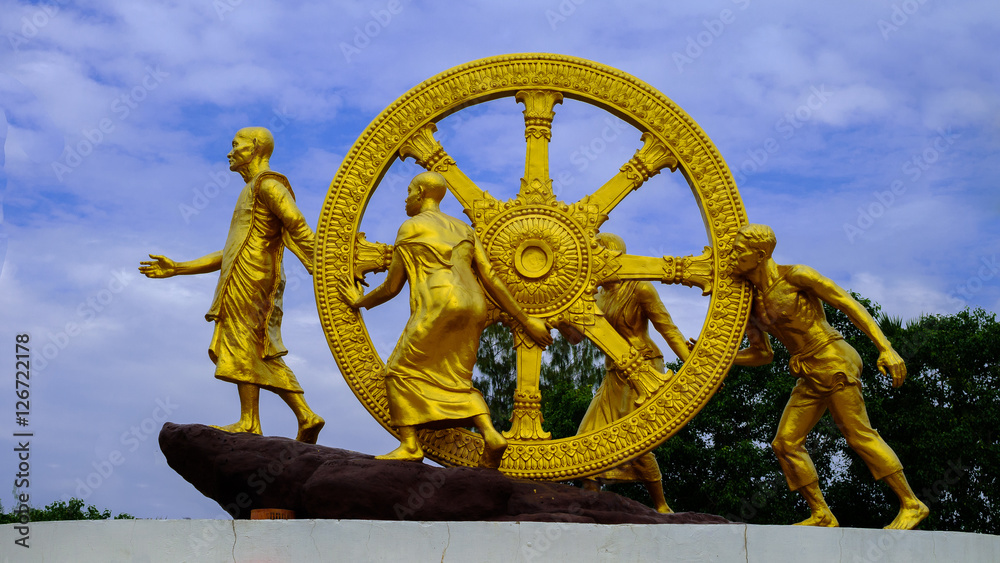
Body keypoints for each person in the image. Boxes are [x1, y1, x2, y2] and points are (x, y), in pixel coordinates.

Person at [341, 171, 552, 468]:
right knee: (458, 379)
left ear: (421, 193)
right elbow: (489, 277)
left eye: (409, 190)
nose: (406, 198)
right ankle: (490, 434)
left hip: (439, 304)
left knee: (399, 372)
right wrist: (525, 319)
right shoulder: (464, 228)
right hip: (474, 305)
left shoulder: (410, 227)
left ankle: (410, 444)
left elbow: (392, 286)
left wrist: (359, 301)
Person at [731, 223, 928, 529]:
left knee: (858, 434)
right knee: (785, 443)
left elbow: (847, 303)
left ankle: (912, 504)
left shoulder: (796, 276)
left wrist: (886, 347)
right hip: (807, 371)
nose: (731, 255)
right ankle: (822, 513)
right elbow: (763, 354)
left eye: (738, 251)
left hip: (833, 358)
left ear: (758, 255)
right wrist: (724, 358)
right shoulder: (753, 304)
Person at [139, 127, 325, 444]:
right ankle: (285, 417)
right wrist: (178, 268)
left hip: (256, 277)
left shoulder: (268, 184)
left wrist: (324, 267)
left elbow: (297, 225)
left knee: (248, 344)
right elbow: (230, 251)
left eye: (235, 145)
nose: (230, 151)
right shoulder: (252, 188)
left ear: (255, 148)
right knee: (249, 348)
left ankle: (263, 419)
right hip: (243, 273)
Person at [577, 232, 692, 513]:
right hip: (613, 374)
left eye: (594, 256)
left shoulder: (640, 288)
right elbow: (575, 337)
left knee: (636, 441)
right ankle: (589, 508)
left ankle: (661, 506)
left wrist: (693, 367)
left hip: (643, 371)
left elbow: (669, 329)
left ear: (610, 257)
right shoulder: (598, 296)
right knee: (586, 440)